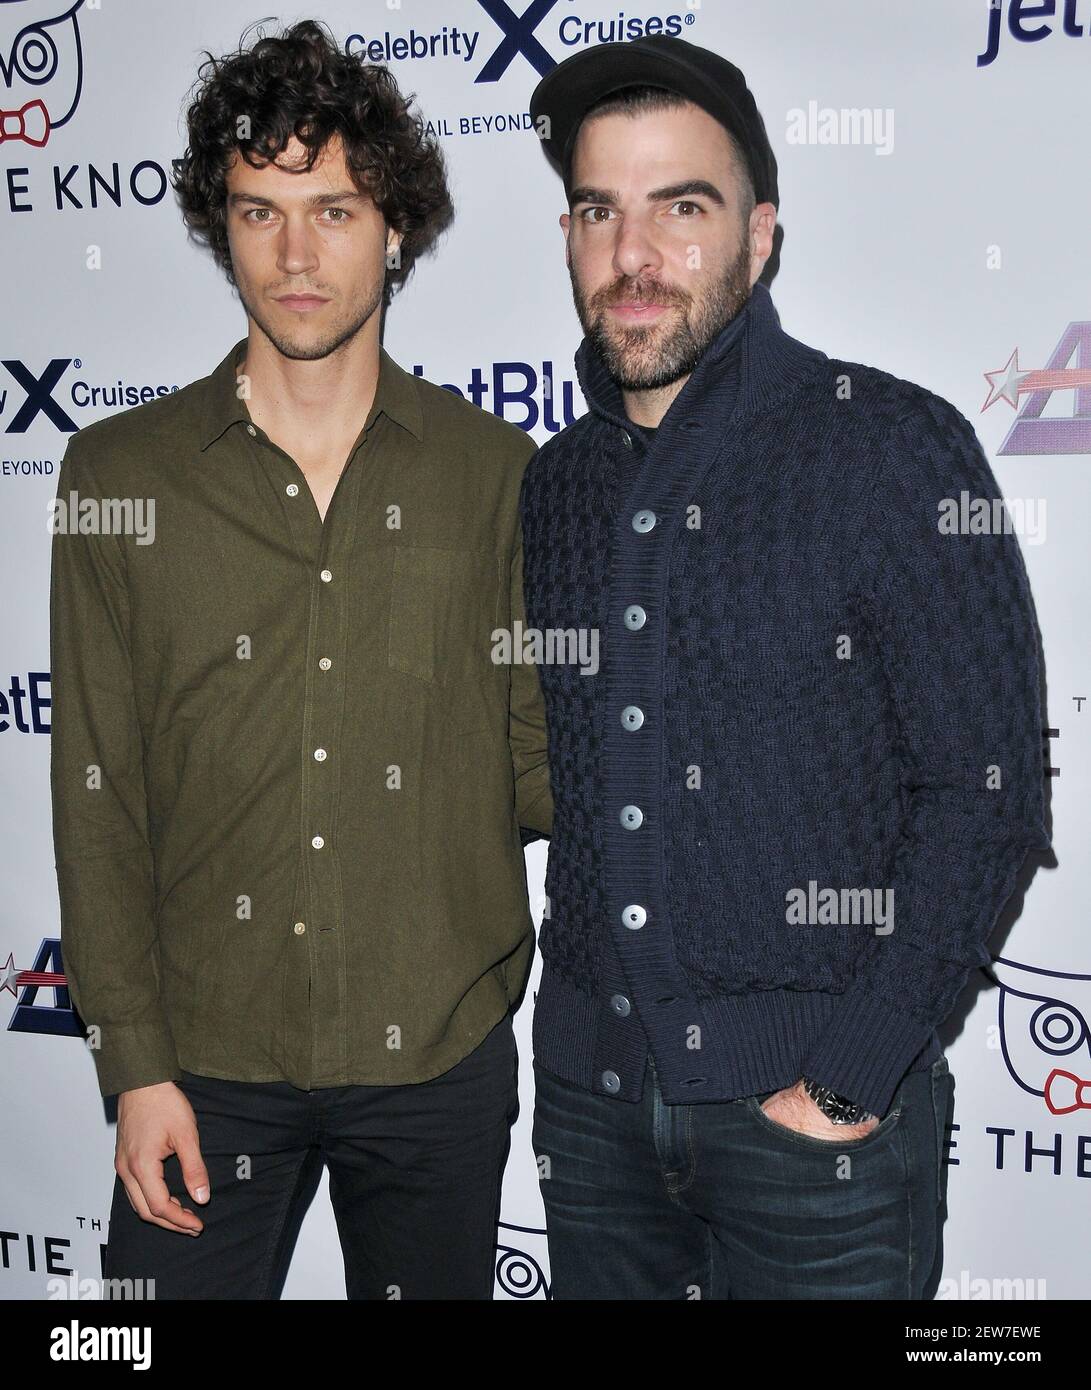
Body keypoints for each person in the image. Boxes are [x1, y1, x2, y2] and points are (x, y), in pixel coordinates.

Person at [522, 35, 1050, 1300]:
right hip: (590, 1123)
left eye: (679, 208)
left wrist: (849, 1074)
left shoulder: (891, 447)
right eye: (598, 211)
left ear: (758, 238)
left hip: (819, 1141)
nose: (632, 253)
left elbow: (985, 796)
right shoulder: (554, 485)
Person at [48, 19, 551, 1301]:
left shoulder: (499, 477)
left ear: (395, 227)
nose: (295, 255)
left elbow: (542, 762)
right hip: (201, 1062)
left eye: (333, 210)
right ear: (220, 230)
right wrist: (133, 1065)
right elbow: (97, 796)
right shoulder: (118, 476)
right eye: (258, 212)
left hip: (437, 1052)